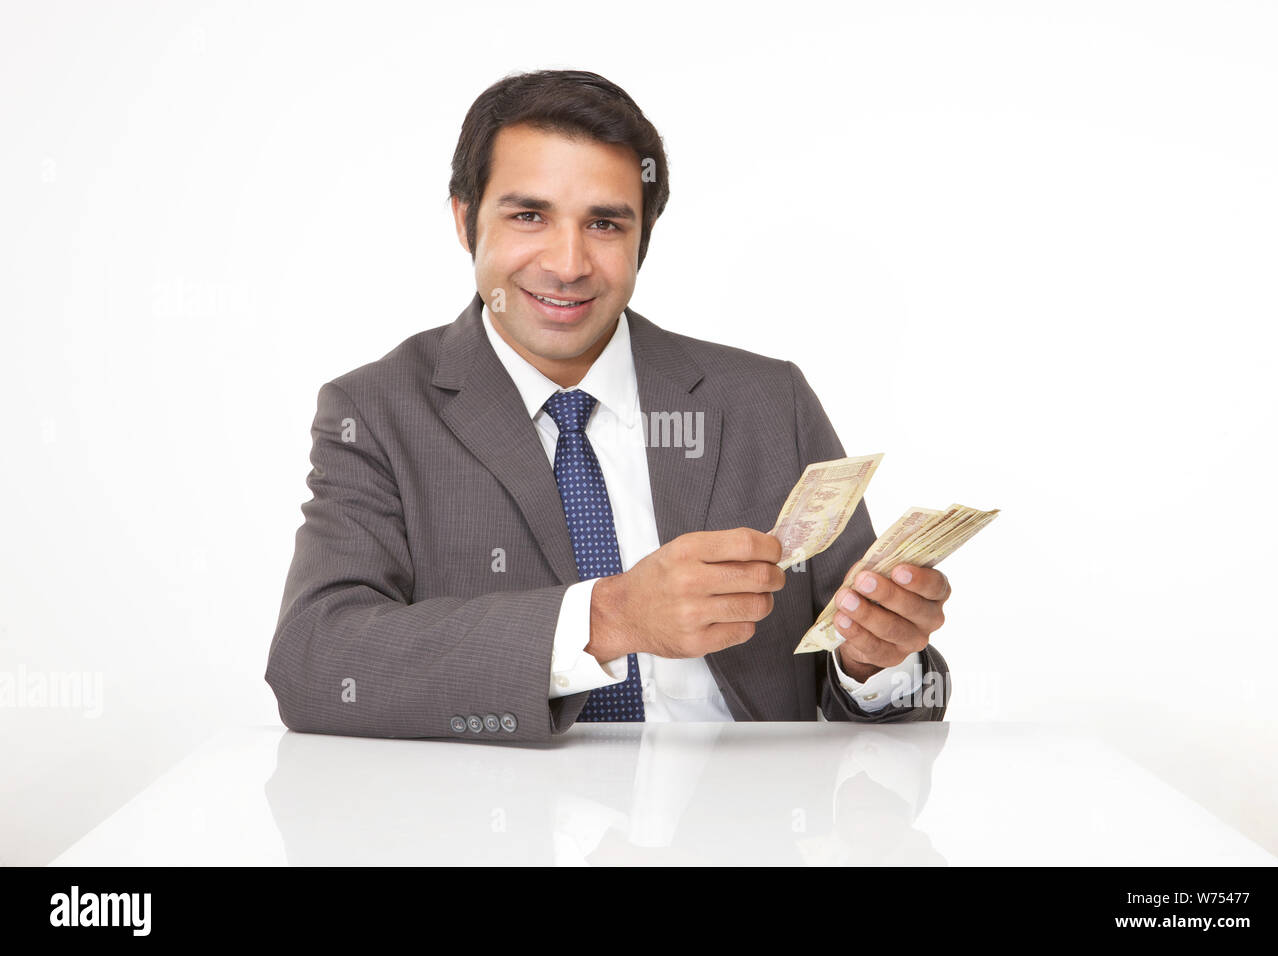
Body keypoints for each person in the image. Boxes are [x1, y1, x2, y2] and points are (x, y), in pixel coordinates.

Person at [265, 70, 954, 742]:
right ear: (464, 219)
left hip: (751, 831)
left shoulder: (767, 401)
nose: (568, 264)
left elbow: (896, 697)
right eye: (529, 215)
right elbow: (315, 661)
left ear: (641, 239)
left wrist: (873, 663)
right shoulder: (378, 413)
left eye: (604, 224)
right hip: (503, 832)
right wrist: (609, 617)